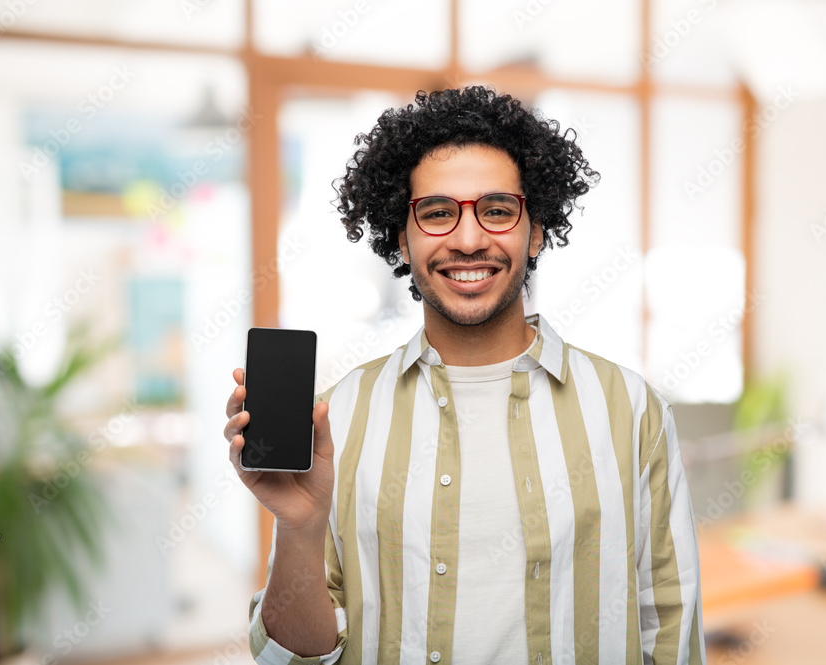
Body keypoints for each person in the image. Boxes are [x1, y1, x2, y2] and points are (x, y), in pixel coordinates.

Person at [224, 85, 706, 665]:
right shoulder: (339, 417)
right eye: (437, 212)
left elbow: (672, 630)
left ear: (538, 230)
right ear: (401, 236)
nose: (470, 239)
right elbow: (293, 659)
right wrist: (298, 526)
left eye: (498, 210)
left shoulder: (631, 409)